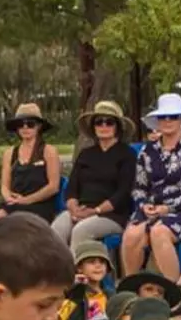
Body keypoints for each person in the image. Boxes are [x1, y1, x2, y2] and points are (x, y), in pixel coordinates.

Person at [119, 93, 181, 288]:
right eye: (163, 117)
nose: (168, 121)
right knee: (131, 234)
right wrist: (144, 206)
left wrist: (167, 209)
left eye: (173, 116)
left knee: (159, 232)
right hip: (152, 209)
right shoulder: (147, 151)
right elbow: (138, 187)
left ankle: (173, 291)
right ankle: (132, 288)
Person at [52, 102, 138, 249]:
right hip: (81, 210)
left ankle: (76, 272)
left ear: (117, 127)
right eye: (99, 122)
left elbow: (123, 194)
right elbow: (72, 187)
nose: (103, 126)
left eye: (109, 122)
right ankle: (56, 271)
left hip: (112, 215)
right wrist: (74, 208)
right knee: (56, 230)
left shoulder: (127, 154)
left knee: (81, 231)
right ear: (94, 127)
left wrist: (95, 211)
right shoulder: (86, 154)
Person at [0, 104, 61, 223]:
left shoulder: (49, 151)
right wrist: (9, 198)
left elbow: (53, 187)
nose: (25, 127)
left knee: (9, 221)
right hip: (14, 204)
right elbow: (4, 186)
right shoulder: (9, 153)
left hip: (39, 205)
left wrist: (26, 200)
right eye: (21, 124)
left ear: (38, 127)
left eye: (30, 124)